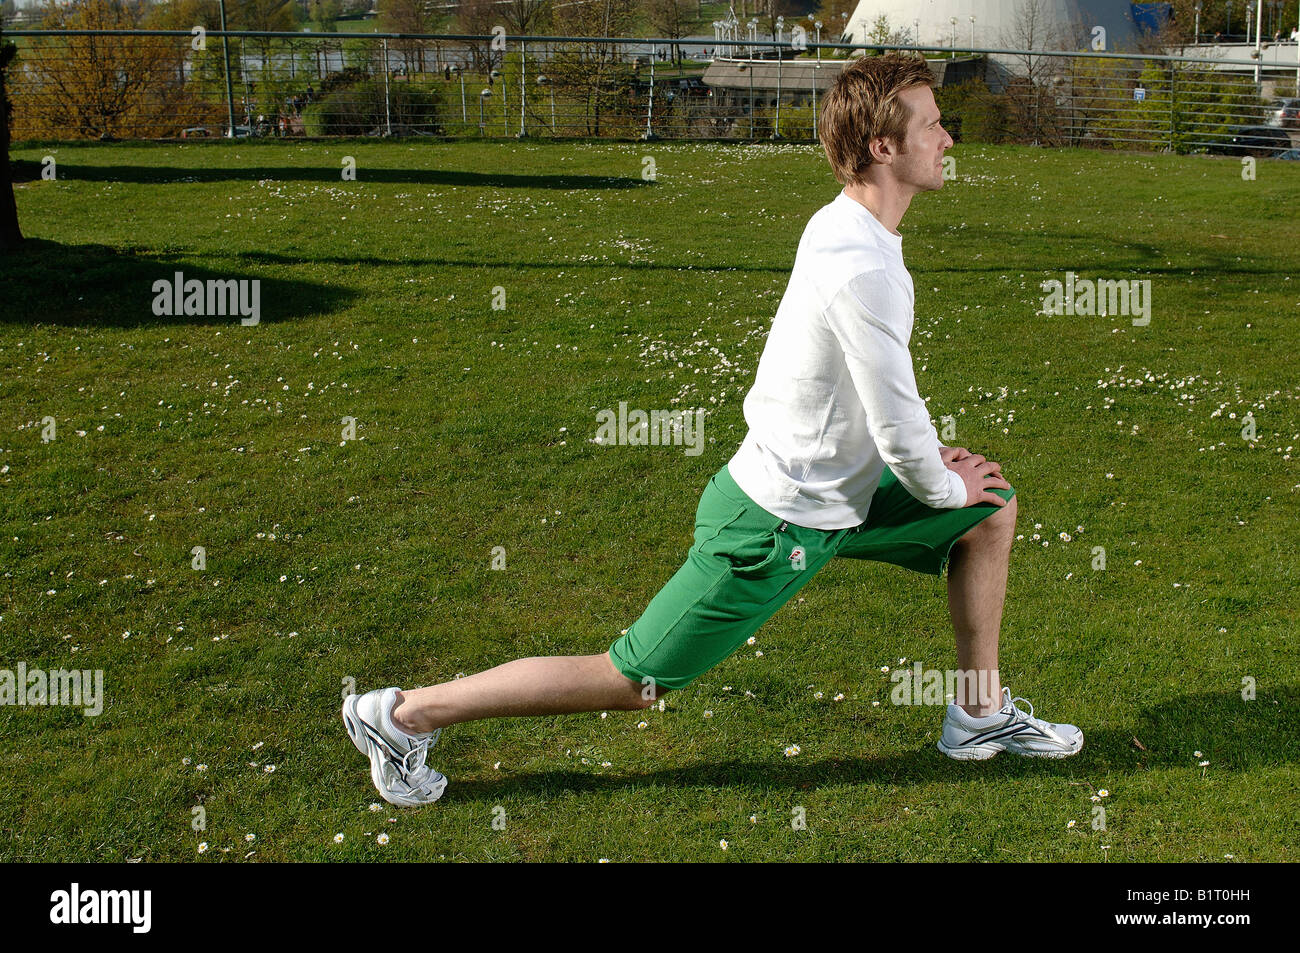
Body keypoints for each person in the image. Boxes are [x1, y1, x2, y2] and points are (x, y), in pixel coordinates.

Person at [342, 53, 1083, 808]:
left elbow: (882, 406)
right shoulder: (862, 263)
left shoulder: (851, 227)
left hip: (840, 496)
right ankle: (402, 715)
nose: (948, 138)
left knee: (990, 509)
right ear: (883, 148)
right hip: (772, 523)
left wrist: (942, 475)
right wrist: (935, 476)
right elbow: (897, 424)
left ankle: (979, 716)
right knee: (631, 680)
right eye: (932, 124)